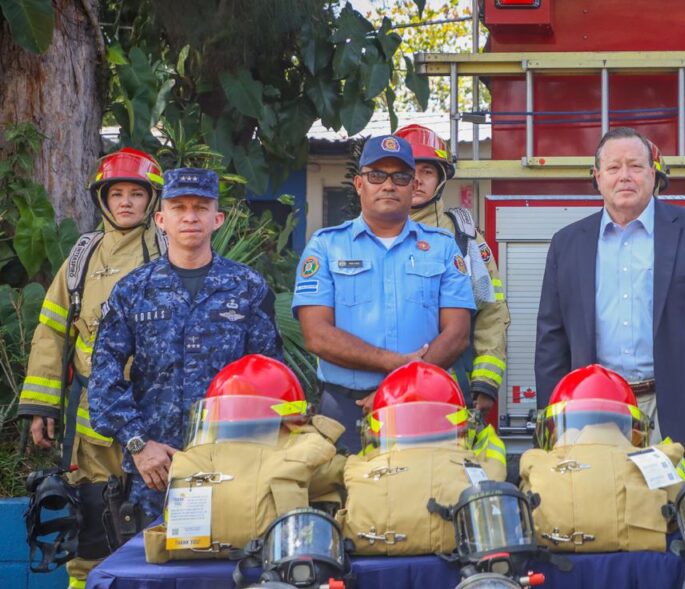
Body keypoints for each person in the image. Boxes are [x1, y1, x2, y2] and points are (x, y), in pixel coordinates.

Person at [534, 127, 685, 455]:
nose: (625, 176)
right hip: (595, 409)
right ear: (597, 176)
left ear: (652, 174)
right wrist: (552, 418)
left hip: (681, 406)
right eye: (613, 168)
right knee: (605, 502)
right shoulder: (567, 243)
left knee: (679, 497)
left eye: (635, 166)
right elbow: (552, 339)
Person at [88, 167, 282, 522]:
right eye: (179, 208)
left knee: (229, 569)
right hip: (156, 469)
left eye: (200, 207)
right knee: (154, 570)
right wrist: (138, 444)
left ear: (217, 218)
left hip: (232, 464)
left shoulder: (247, 287)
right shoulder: (134, 290)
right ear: (161, 219)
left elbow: (271, 377)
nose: (190, 217)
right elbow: (103, 377)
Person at [18, 148, 164, 588]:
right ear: (102, 199)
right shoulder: (82, 257)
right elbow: (51, 330)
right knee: (91, 525)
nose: (125, 202)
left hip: (155, 420)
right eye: (115, 193)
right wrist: (43, 407)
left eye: (135, 194)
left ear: (152, 200)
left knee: (158, 522)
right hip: (90, 425)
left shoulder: (170, 250)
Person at [293, 135, 476, 451]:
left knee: (424, 495)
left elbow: (457, 334)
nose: (389, 185)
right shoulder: (325, 246)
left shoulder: (443, 247)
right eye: (377, 175)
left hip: (423, 404)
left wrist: (400, 387)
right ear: (359, 184)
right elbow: (317, 335)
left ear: (411, 185)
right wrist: (394, 364)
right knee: (343, 497)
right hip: (344, 409)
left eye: (400, 176)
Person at [395, 124, 511, 416]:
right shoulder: (367, 234)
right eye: (409, 170)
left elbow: (491, 311)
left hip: (451, 382)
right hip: (383, 381)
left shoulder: (463, 235)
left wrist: (484, 380)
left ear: (441, 179)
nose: (417, 180)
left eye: (428, 172)